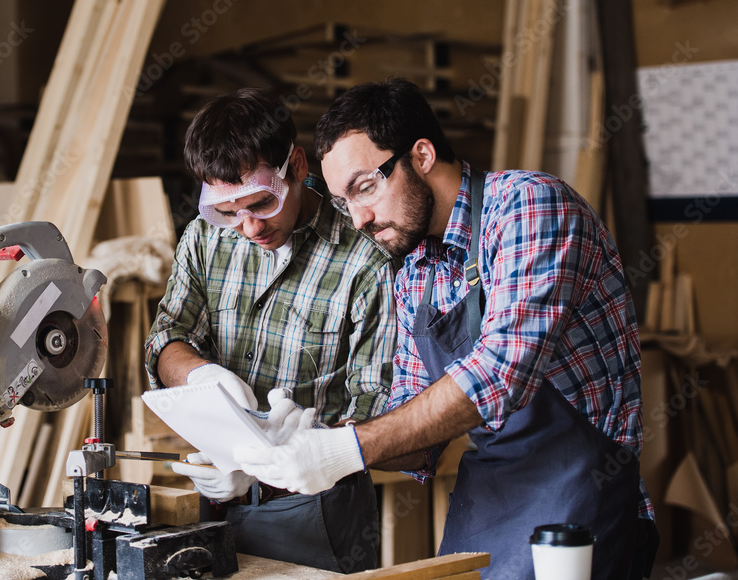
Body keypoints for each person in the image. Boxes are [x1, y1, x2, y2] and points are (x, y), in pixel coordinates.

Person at [236, 79, 658, 580]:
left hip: (580, 502)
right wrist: (312, 438)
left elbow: (501, 373)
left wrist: (348, 449)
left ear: (422, 155)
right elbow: (416, 435)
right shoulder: (415, 270)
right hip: (490, 504)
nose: (360, 218)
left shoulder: (529, 206)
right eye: (343, 202)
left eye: (365, 188)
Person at [144, 88, 398, 573]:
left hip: (315, 506)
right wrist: (200, 376)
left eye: (262, 202)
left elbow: (377, 407)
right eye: (227, 210)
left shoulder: (365, 257)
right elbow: (166, 338)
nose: (248, 228)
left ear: (298, 166)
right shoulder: (205, 236)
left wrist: (311, 444)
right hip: (217, 497)